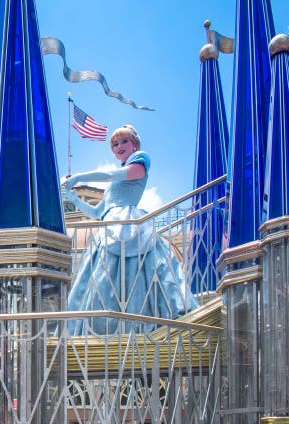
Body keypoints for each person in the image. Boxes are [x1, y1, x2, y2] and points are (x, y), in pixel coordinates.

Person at [61, 125, 198, 334]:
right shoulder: (112, 185)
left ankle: (139, 323)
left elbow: (112, 174)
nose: (119, 146)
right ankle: (103, 326)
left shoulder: (140, 160)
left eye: (124, 141)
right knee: (102, 277)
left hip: (128, 223)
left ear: (134, 144)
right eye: (115, 144)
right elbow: (97, 213)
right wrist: (74, 200)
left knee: (137, 270)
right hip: (109, 225)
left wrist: (80, 177)